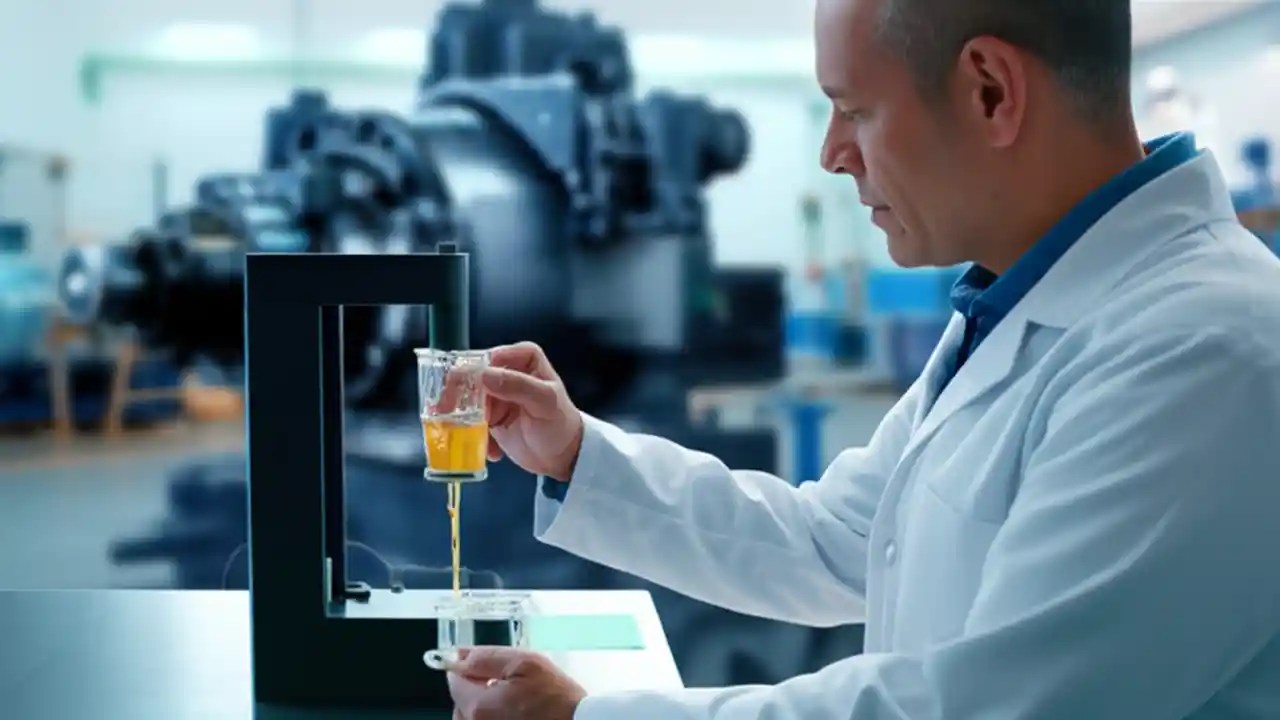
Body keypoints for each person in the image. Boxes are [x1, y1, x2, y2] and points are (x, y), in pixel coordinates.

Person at [447, 0, 1280, 717]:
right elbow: (838, 538)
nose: (832, 153)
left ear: (991, 91)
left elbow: (988, 708)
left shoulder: (1201, 350)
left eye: (853, 109)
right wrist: (575, 453)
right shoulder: (1019, 304)